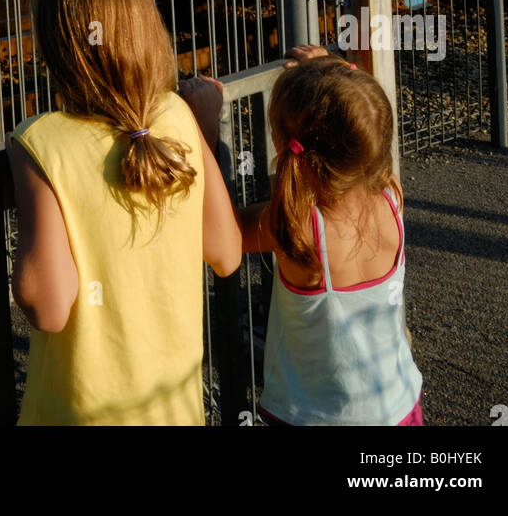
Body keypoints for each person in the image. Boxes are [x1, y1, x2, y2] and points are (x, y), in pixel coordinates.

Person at [6, 0, 242, 426]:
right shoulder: (175, 116)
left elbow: (47, 306)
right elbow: (226, 251)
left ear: (56, 50)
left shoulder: (40, 141)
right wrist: (205, 130)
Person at [180, 47, 424, 427]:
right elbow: (353, 127)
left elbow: (225, 239)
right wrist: (331, 75)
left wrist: (204, 131)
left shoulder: (301, 228)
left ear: (282, 142)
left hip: (316, 419)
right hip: (399, 405)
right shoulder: (391, 194)